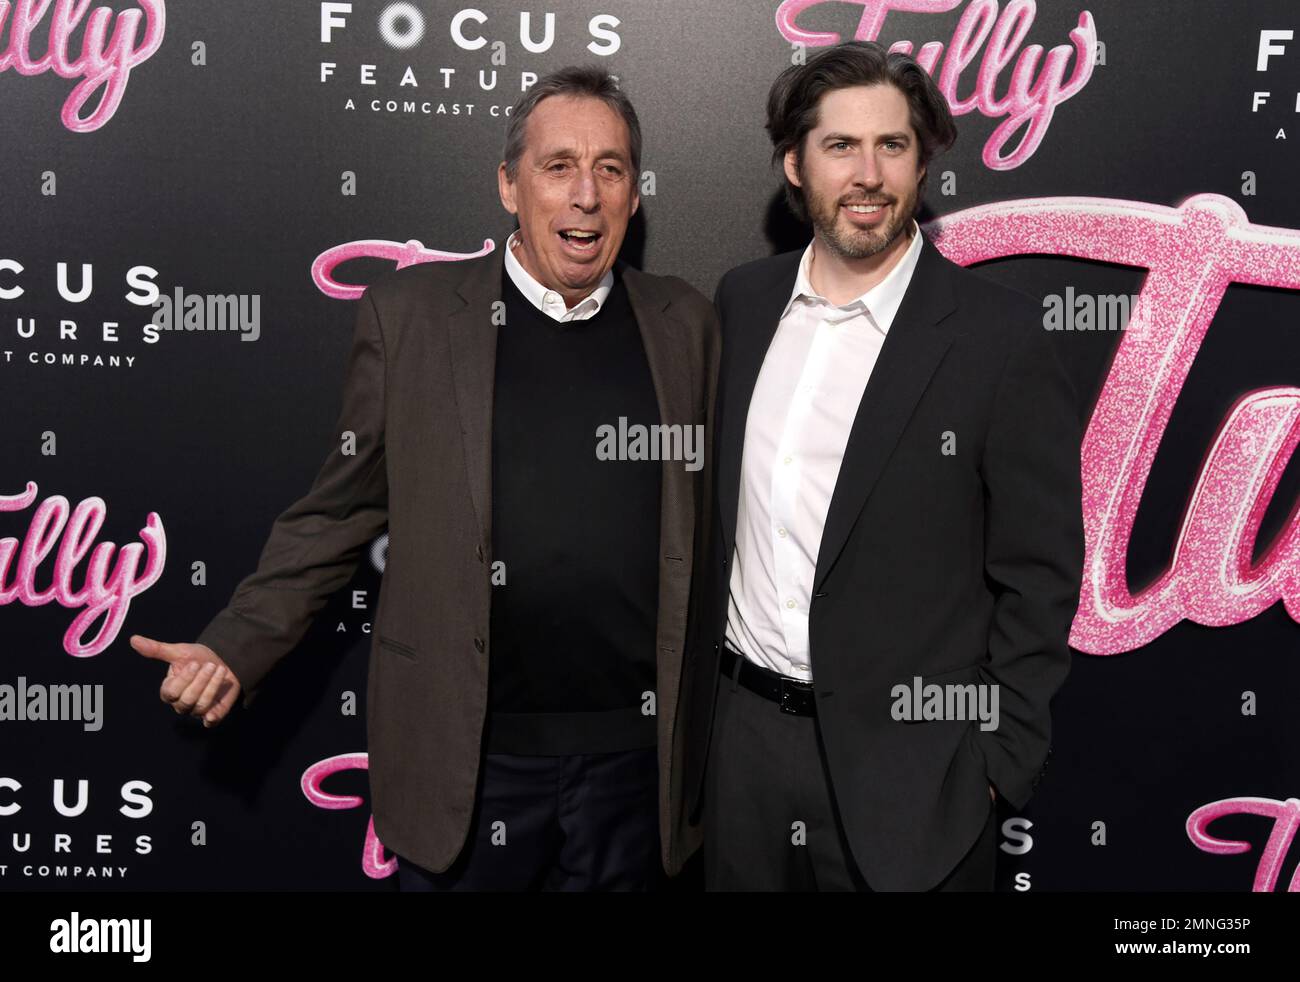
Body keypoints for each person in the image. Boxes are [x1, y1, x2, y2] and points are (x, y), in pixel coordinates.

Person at [131, 65, 717, 891]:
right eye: (558, 167)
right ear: (509, 185)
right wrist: (235, 644)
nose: (586, 194)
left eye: (611, 168)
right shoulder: (409, 318)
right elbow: (335, 514)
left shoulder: (685, 324)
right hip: (468, 768)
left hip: (639, 768)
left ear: (633, 192)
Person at [679, 41, 1084, 891]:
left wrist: (993, 764)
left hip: (914, 773)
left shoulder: (996, 339)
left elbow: (1039, 577)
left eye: (892, 146)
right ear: (794, 163)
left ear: (923, 160)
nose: (868, 174)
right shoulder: (743, 303)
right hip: (742, 750)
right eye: (840, 147)